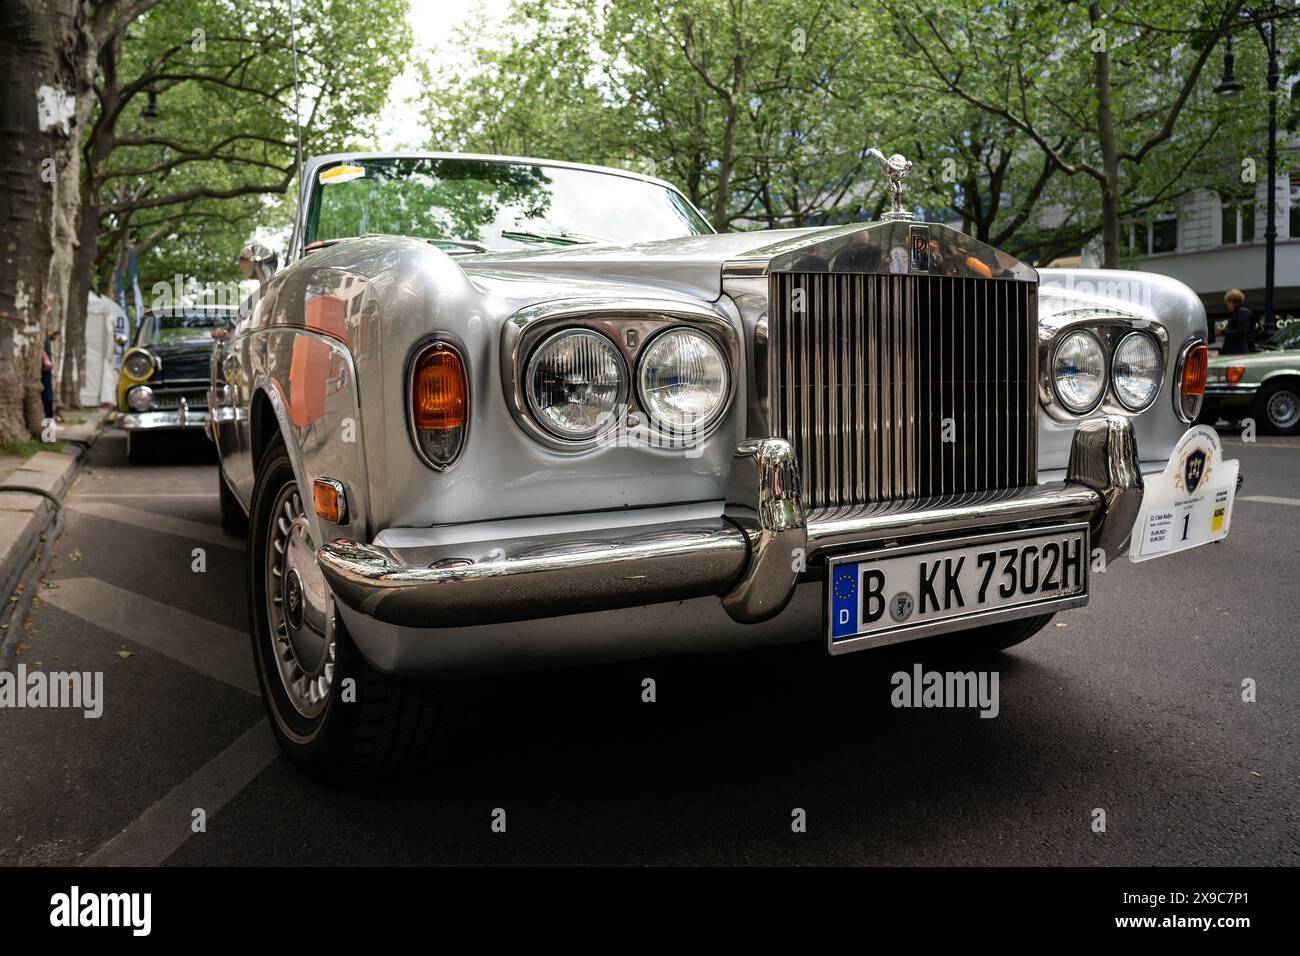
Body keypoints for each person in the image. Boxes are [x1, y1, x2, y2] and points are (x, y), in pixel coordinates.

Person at [1221, 289, 1256, 355]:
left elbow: (1242, 332)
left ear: (1231, 301)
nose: (1227, 305)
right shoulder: (1241, 312)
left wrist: (1223, 331)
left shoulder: (1242, 312)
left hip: (1238, 352)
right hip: (1237, 351)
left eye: (1227, 302)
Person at [41, 329, 60, 422]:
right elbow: (38, 342)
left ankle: (48, 421)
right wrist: (45, 358)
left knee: (48, 394)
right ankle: (47, 422)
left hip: (47, 363)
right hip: (44, 364)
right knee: (47, 394)